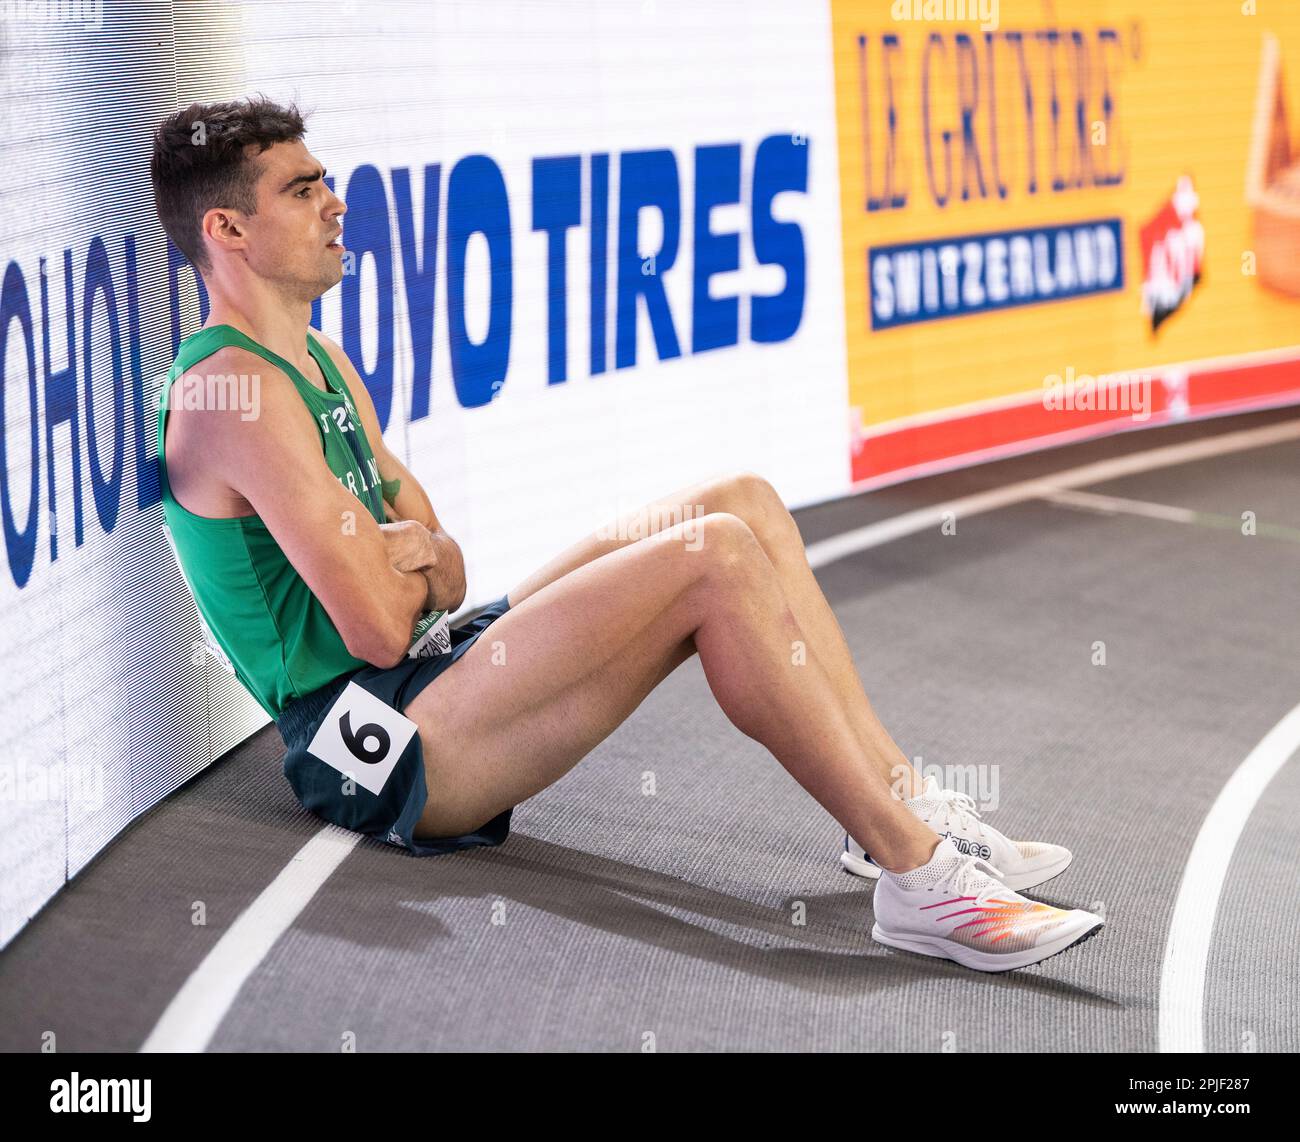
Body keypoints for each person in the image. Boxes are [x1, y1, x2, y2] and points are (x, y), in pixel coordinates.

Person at [149, 95, 1103, 973]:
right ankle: (918, 879)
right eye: (304, 188)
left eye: (328, 181)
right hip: (373, 741)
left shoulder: (319, 357)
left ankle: (895, 801)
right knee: (717, 560)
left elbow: (442, 552)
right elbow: (378, 630)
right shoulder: (231, 396)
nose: (336, 203)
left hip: (437, 666)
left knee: (744, 503)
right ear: (227, 229)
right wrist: (410, 562)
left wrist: (415, 557)